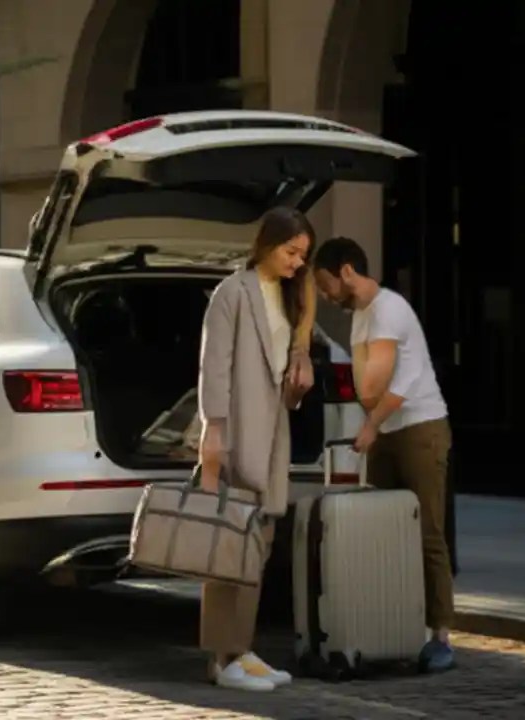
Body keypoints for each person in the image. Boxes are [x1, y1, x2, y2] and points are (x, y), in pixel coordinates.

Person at [310, 235, 456, 672]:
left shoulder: (390, 309)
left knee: (427, 531)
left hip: (420, 429)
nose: (323, 294)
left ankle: (441, 635)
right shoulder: (360, 317)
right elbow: (366, 385)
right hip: (388, 430)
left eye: (325, 284)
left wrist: (370, 426)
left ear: (347, 272)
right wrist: (372, 424)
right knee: (385, 532)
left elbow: (402, 383)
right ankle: (391, 629)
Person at [197, 206, 317, 691]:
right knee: (228, 546)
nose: (297, 263)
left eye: (304, 256)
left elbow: (279, 379)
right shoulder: (233, 293)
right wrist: (214, 431)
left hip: (272, 435)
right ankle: (221, 659)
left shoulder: (290, 297)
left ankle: (241, 651)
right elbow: (214, 367)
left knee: (259, 545)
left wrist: (300, 376)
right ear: (267, 244)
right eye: (292, 252)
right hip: (236, 431)